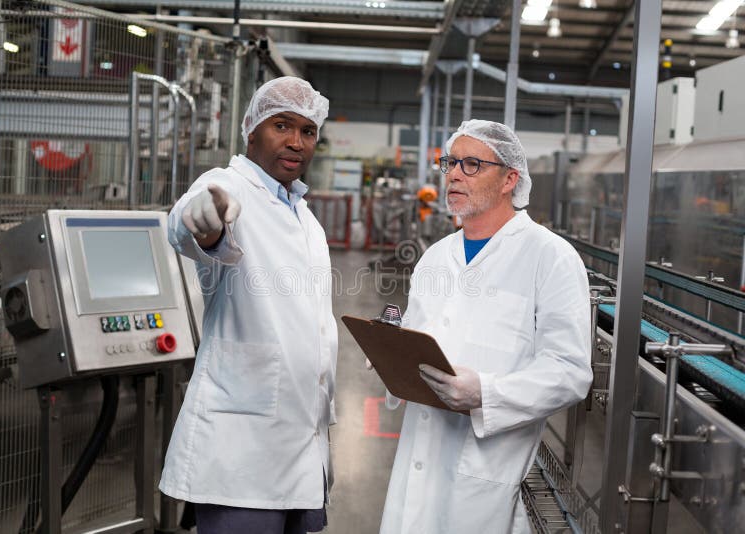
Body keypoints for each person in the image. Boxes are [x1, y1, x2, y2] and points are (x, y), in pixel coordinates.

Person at [377, 120, 593, 534]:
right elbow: (428, 337)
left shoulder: (550, 257)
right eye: (451, 162)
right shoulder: (436, 258)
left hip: (484, 475)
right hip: (417, 459)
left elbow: (570, 372)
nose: (454, 173)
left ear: (510, 178)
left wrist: (485, 394)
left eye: (472, 164)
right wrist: (391, 352)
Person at [159, 77, 337, 534]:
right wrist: (205, 222)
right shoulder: (226, 184)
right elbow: (193, 221)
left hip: (305, 441)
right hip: (242, 450)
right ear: (251, 130)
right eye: (282, 125)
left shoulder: (305, 217)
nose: (296, 142)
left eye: (308, 131)